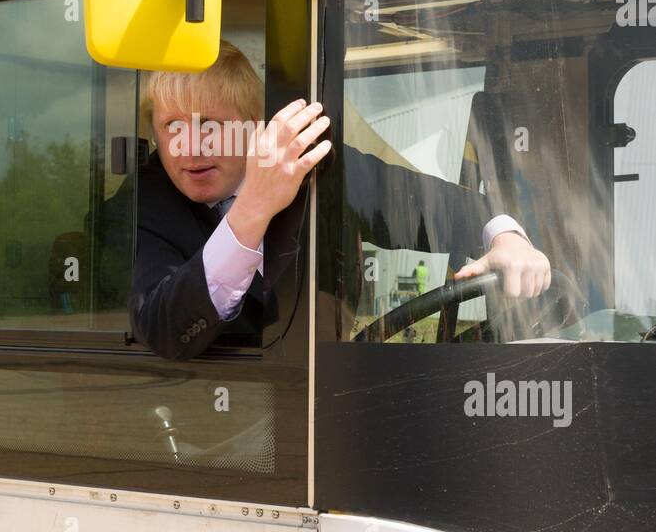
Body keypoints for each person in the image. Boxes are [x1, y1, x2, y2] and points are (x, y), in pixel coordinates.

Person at [128, 41, 551, 360]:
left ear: (254, 128)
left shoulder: (315, 166)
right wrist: (253, 207)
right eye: (172, 127)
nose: (190, 147)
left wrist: (506, 238)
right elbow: (166, 328)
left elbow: (436, 206)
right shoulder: (140, 202)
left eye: (211, 125)